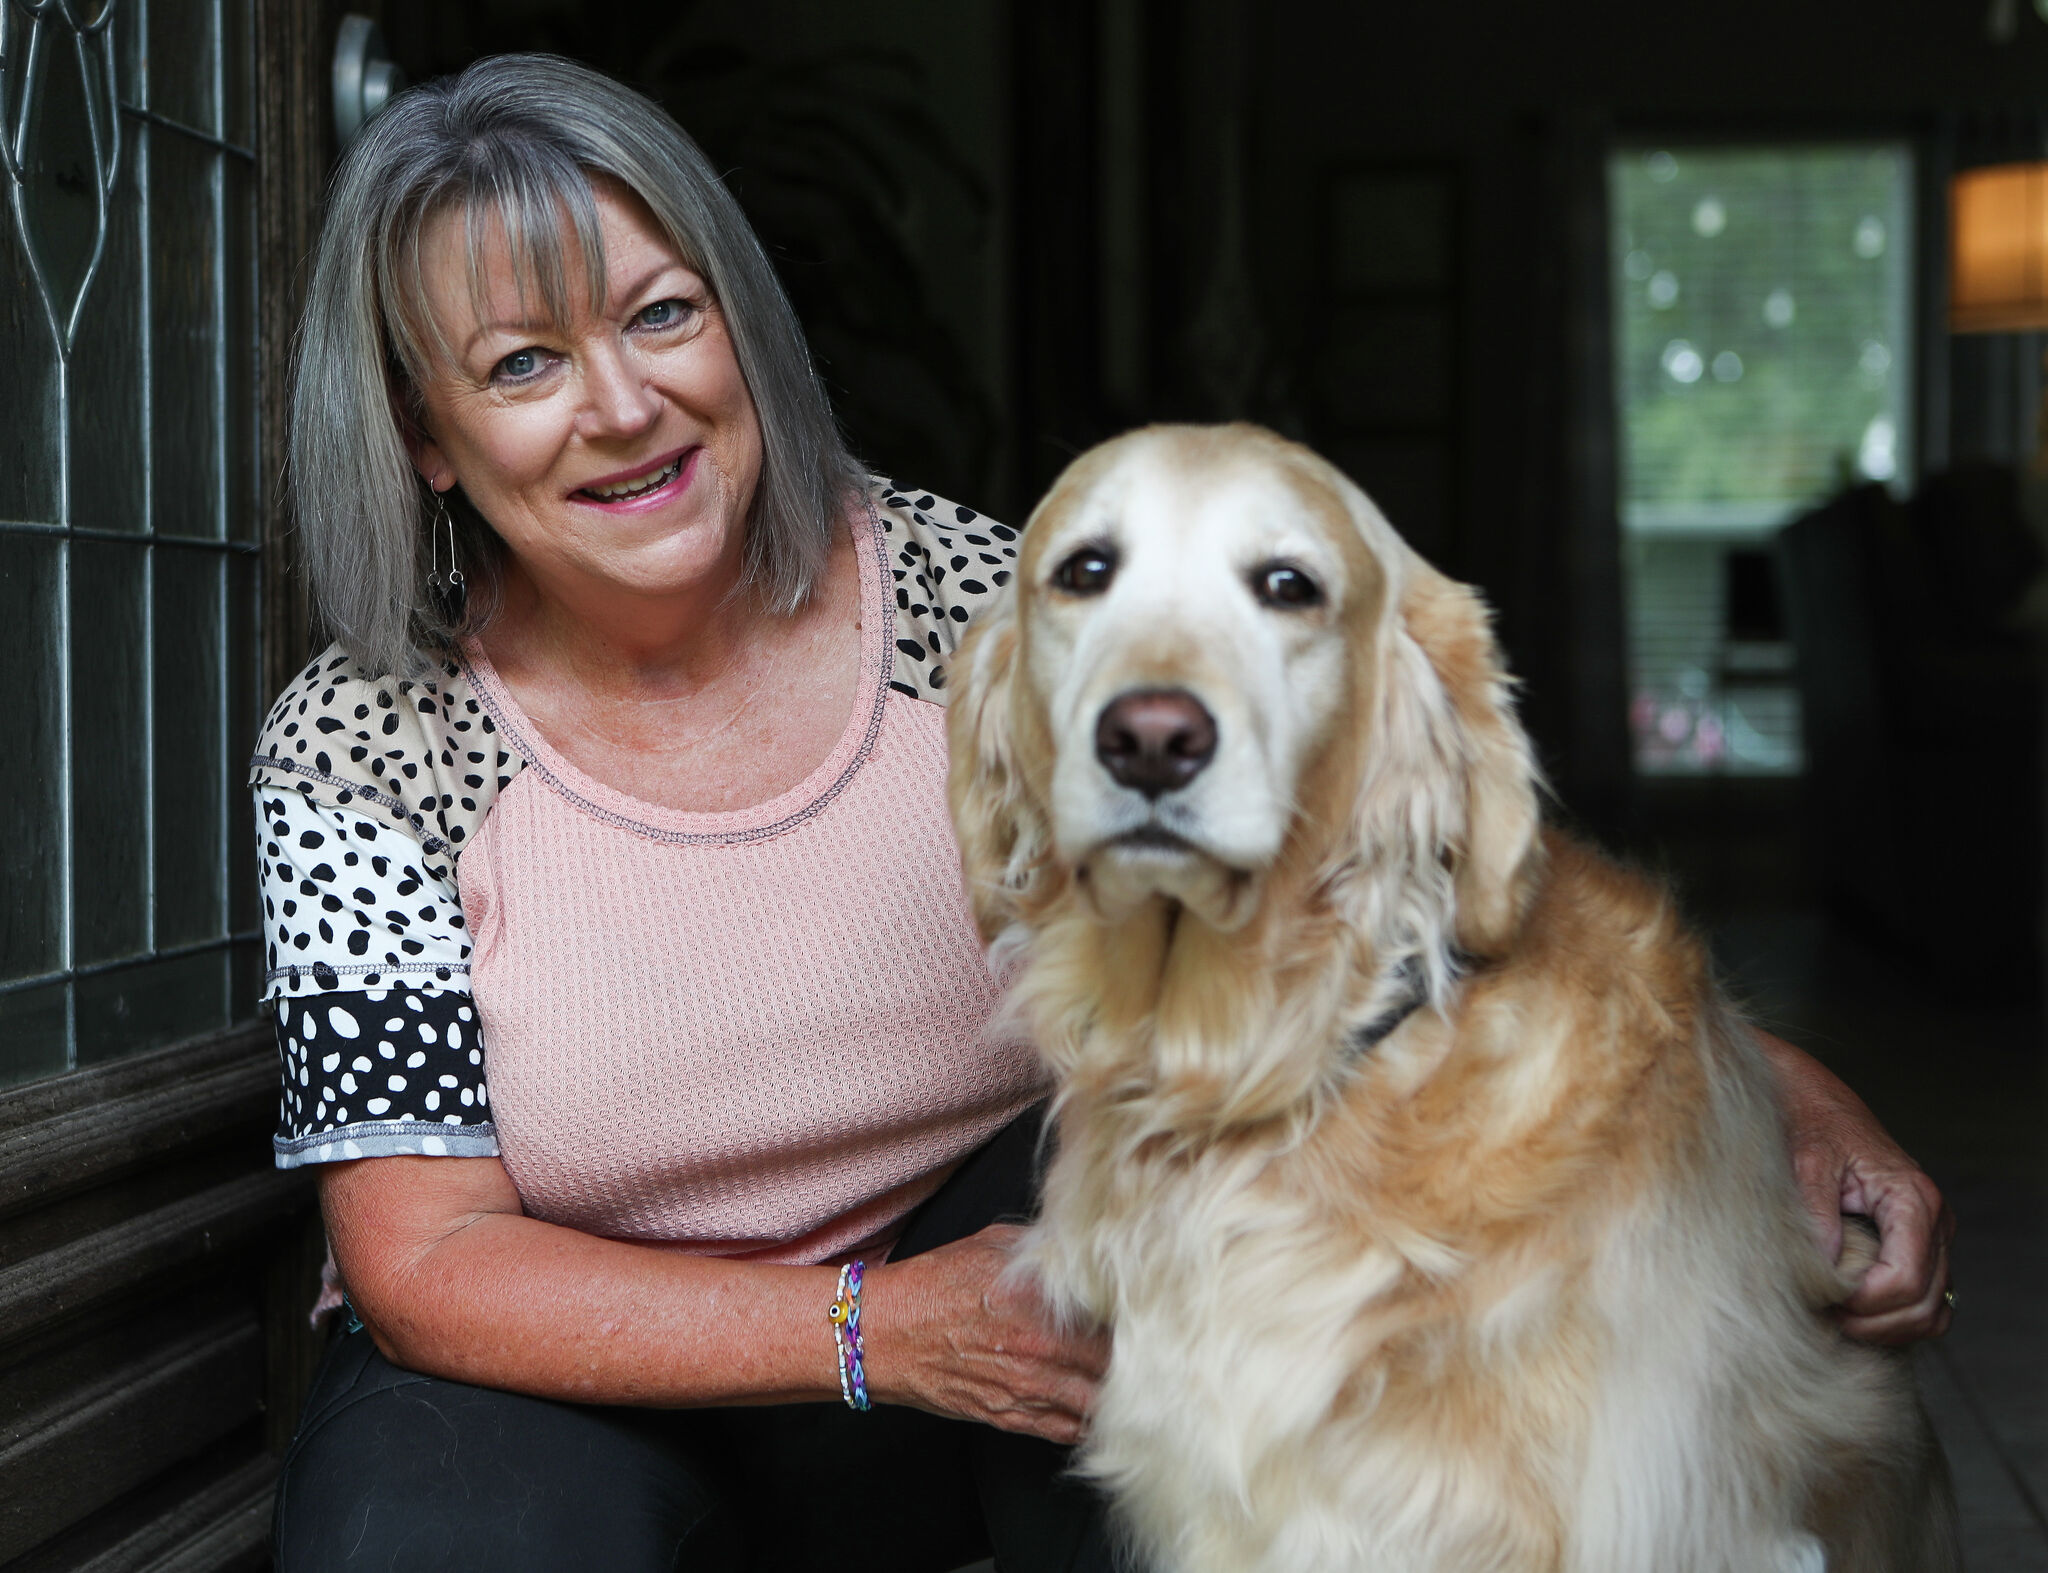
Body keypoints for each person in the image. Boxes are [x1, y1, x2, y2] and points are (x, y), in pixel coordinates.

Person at [257, 52, 1954, 1573]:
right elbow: (430, 1261)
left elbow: (1347, 869)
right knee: (431, 1539)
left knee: (1213, 1250)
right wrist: (867, 1326)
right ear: (426, 432)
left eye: (661, 315)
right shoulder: (360, 752)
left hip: (984, 1289)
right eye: (523, 361)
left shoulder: (956, 599)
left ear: (737, 324)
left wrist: (1767, 1085)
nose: (625, 405)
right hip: (570, 1374)